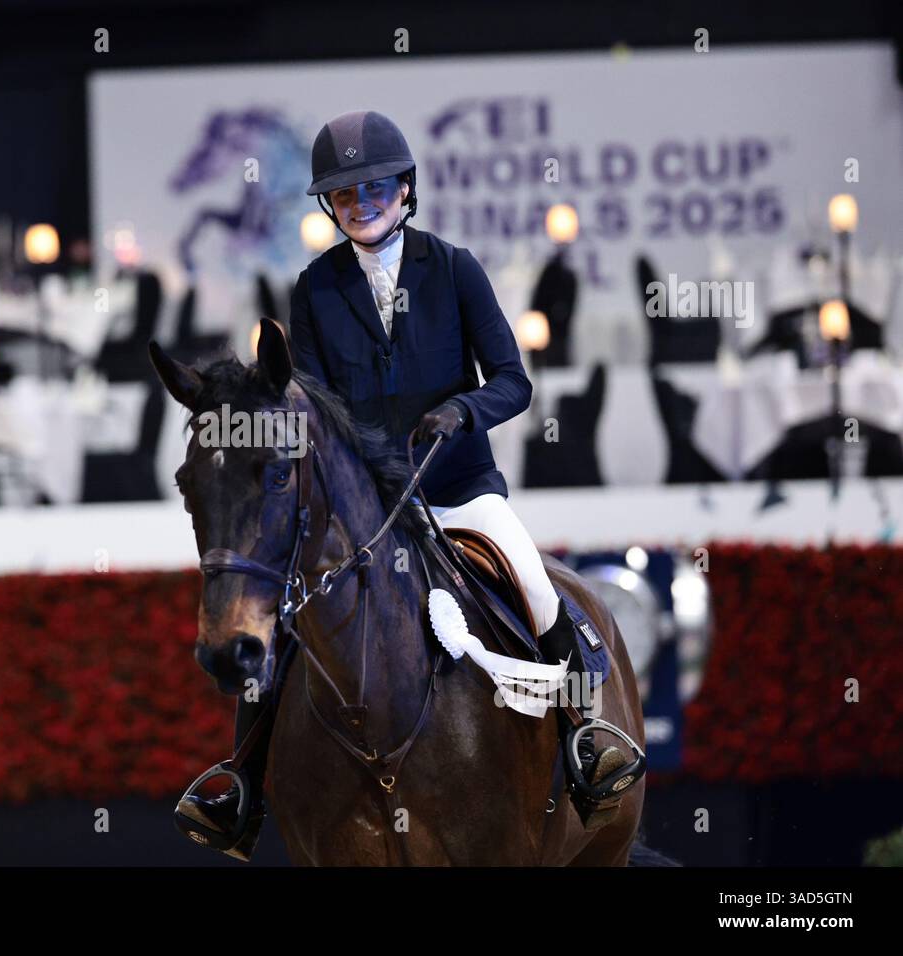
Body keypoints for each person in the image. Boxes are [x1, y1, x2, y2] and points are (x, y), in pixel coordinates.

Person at [175, 110, 643, 859]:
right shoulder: (316, 289)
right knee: (294, 626)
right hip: (367, 506)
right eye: (345, 194)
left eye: (374, 187)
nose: (360, 203)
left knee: (535, 581)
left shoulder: (453, 267)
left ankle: (590, 735)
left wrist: (463, 408)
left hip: (458, 487)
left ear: (405, 189)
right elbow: (314, 406)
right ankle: (242, 782)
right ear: (330, 206)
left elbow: (513, 381)